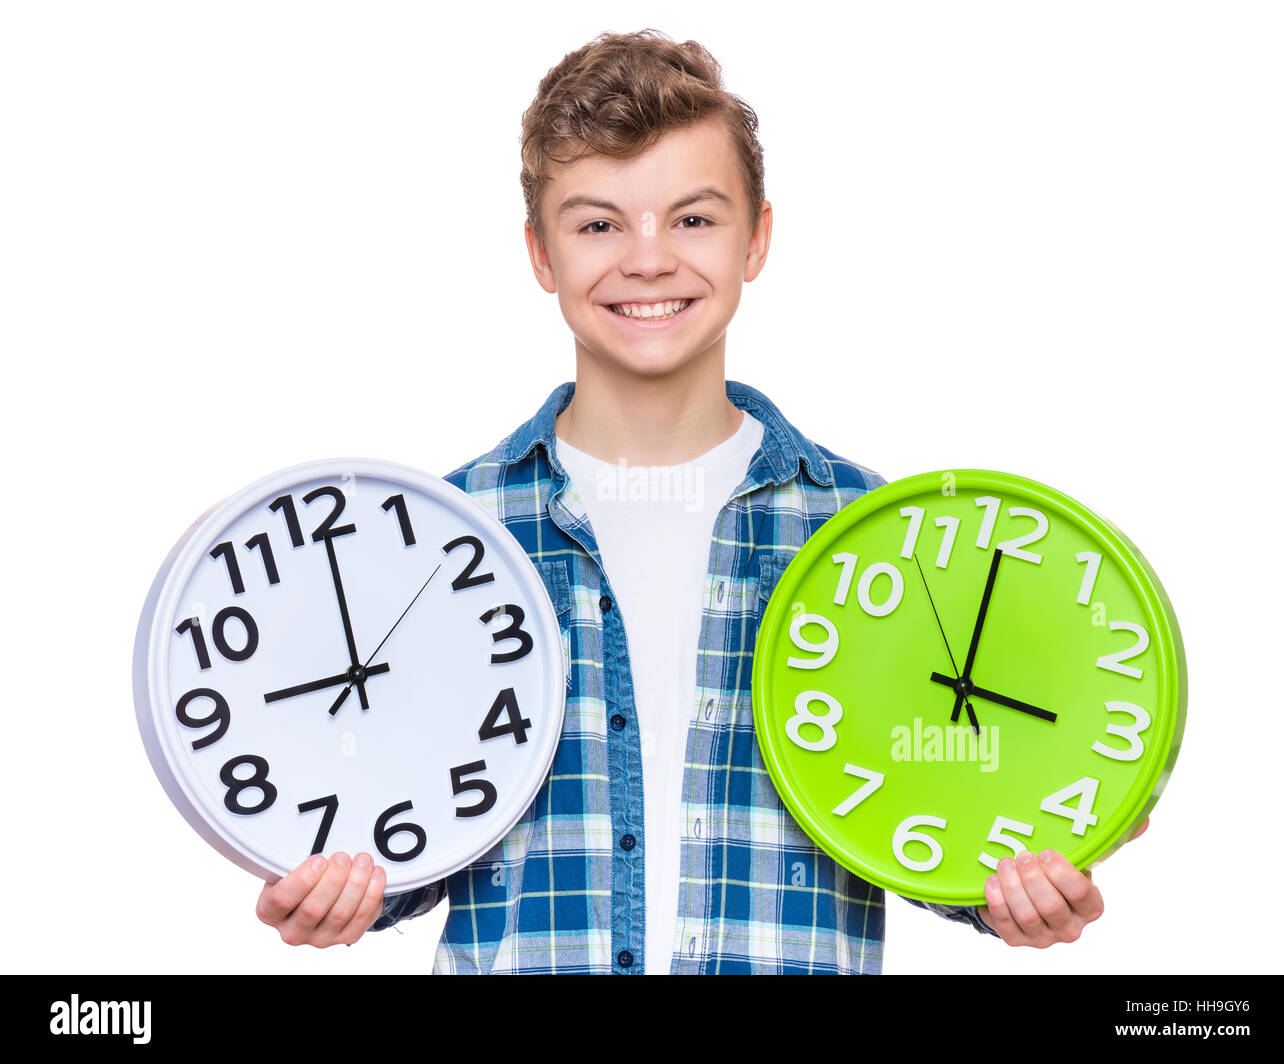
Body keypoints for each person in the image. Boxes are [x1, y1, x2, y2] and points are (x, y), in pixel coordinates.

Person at [254, 27, 1147, 972]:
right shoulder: (447, 537)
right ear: (540, 254)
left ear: (756, 237)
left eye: (693, 219)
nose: (647, 260)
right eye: (599, 224)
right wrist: (347, 888)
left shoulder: (873, 536)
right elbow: (416, 825)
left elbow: (925, 806)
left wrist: (1012, 892)